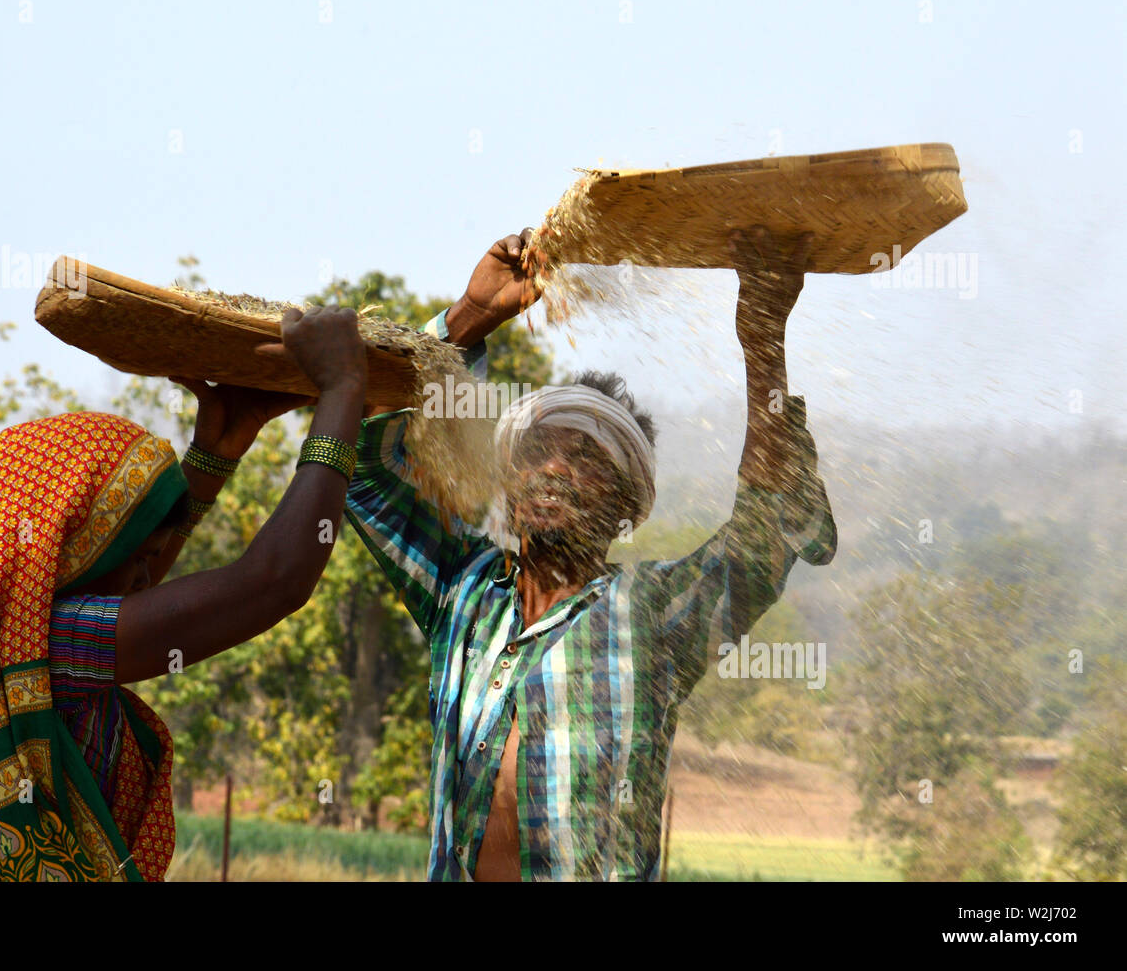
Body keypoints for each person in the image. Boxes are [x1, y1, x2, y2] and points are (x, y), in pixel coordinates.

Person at [344, 226, 839, 880]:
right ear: (508, 481)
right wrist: (473, 316)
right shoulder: (461, 593)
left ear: (627, 508)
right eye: (536, 450)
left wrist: (762, 336)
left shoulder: (652, 615)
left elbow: (766, 528)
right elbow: (357, 466)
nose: (553, 468)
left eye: (585, 459)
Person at [0, 304, 366, 881]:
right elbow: (273, 581)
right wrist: (343, 389)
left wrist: (214, 456)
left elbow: (132, 595)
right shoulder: (57, 643)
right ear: (61, 557)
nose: (146, 577)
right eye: (128, 556)